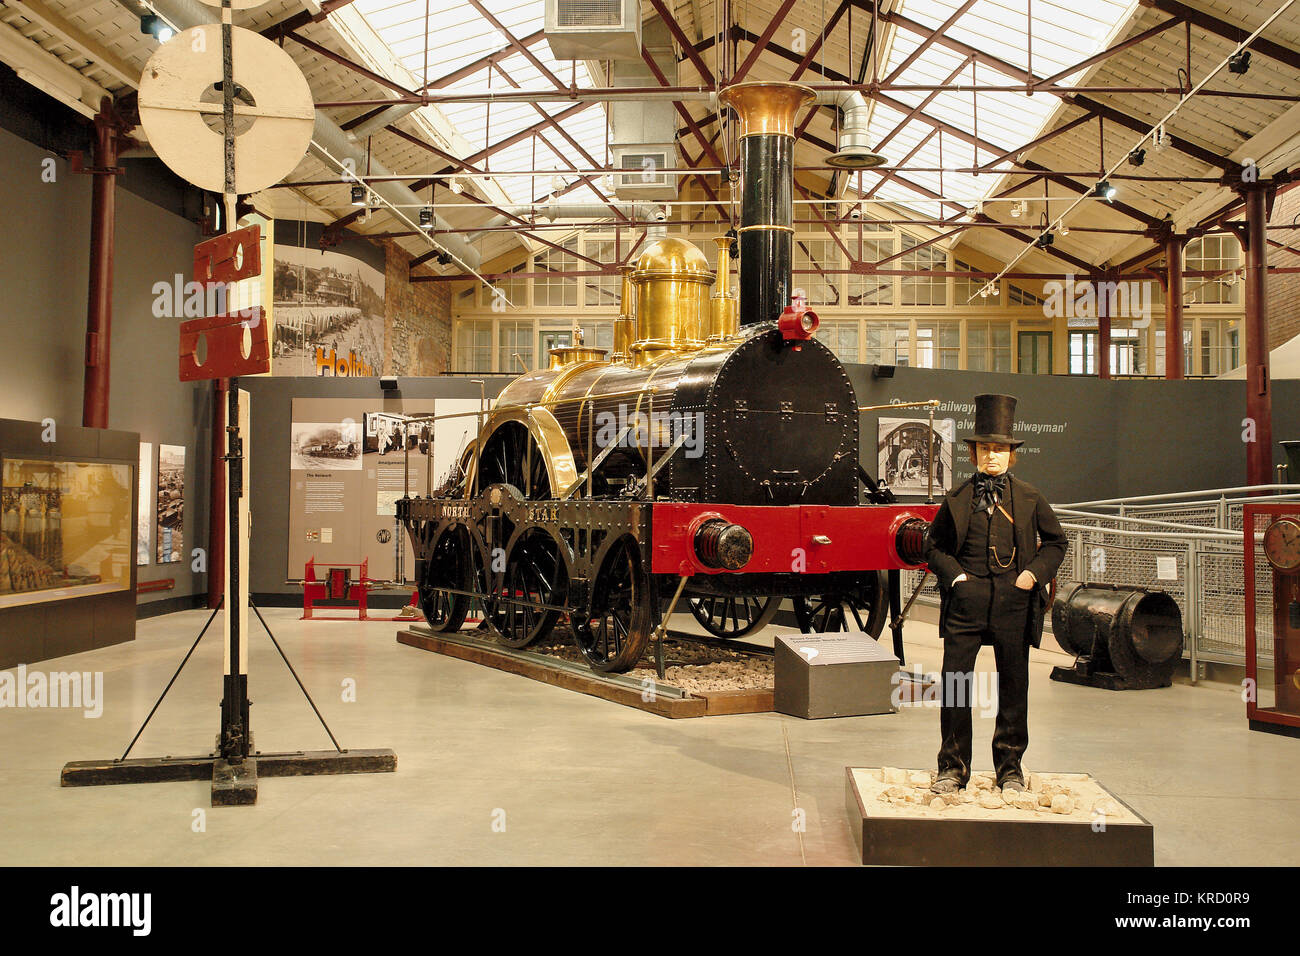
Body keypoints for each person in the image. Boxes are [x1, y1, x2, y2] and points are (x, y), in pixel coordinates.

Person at [923, 394, 1067, 794]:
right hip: (965, 603)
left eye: (999, 449)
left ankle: (1010, 769)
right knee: (954, 683)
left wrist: (1032, 576)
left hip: (1013, 603)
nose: (992, 456)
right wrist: (954, 576)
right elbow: (932, 547)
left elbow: (1056, 543)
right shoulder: (956, 499)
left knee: (1014, 685)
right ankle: (952, 768)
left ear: (1011, 455)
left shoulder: (1029, 497)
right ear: (973, 453)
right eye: (985, 448)